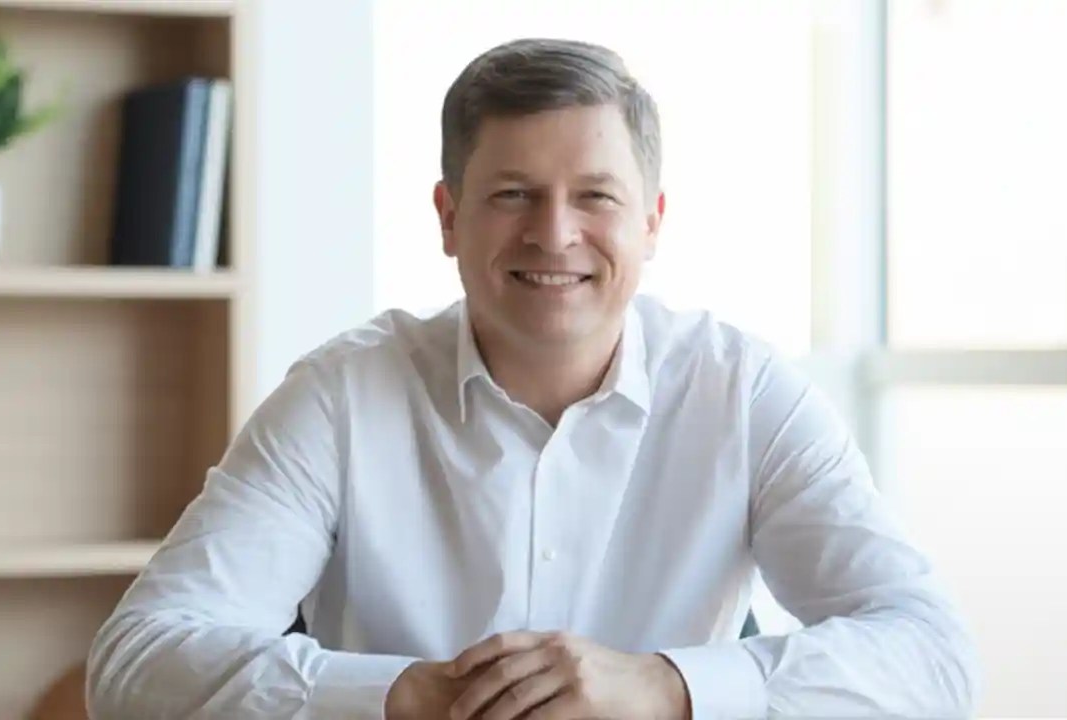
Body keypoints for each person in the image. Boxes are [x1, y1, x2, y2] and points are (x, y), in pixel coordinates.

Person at [86, 38, 979, 719]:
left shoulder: (744, 393)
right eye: (513, 193)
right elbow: (135, 662)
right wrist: (402, 697)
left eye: (596, 196)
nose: (554, 235)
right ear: (449, 217)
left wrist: (665, 687)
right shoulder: (340, 396)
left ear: (652, 222)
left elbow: (934, 656)